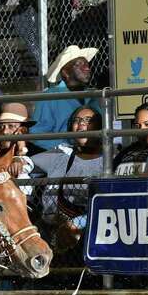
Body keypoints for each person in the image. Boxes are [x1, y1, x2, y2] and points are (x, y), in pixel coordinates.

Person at [28, 106, 104, 248]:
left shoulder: (110, 160)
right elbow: (28, 163)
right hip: (51, 233)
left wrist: (79, 222)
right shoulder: (62, 155)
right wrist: (19, 161)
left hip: (93, 235)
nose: (81, 124)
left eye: (88, 120)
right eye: (77, 120)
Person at [29, 44, 99, 151]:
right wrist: (65, 147)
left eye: (86, 64)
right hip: (62, 155)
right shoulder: (49, 97)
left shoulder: (95, 95)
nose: (86, 68)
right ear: (65, 73)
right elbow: (37, 134)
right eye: (78, 64)